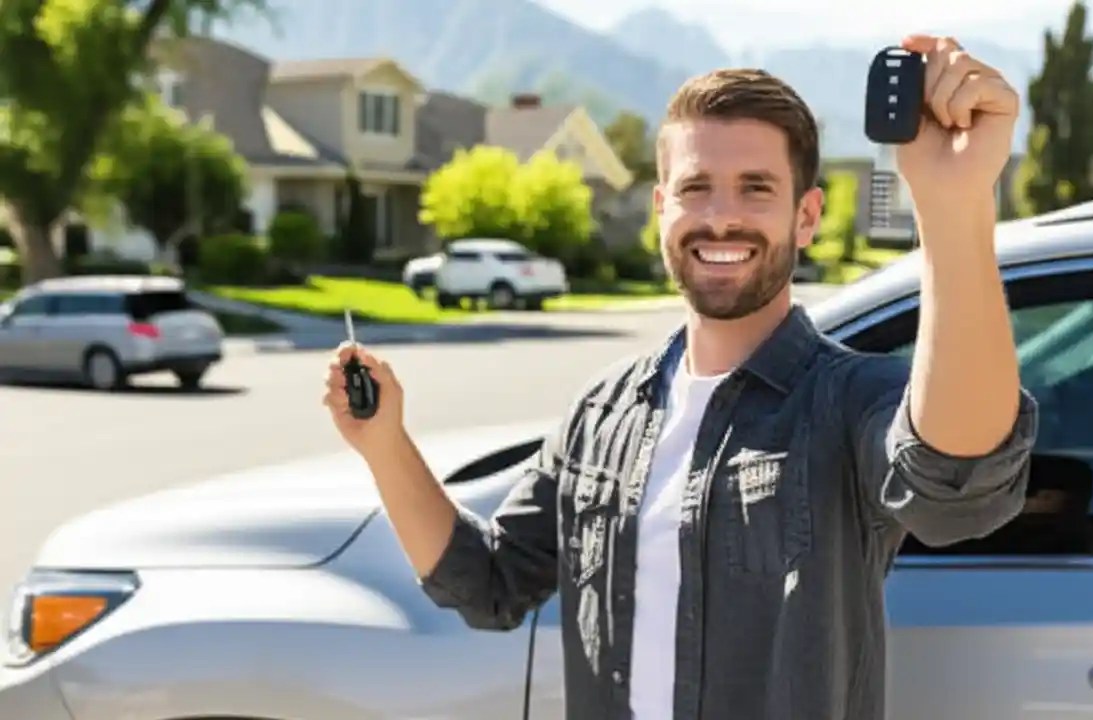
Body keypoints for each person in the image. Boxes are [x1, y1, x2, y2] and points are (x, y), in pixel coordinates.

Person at [323, 34, 1038, 720]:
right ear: (661, 210)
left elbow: (957, 478)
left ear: (806, 216)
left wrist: (954, 206)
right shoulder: (601, 415)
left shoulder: (847, 402)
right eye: (696, 188)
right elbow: (488, 585)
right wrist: (384, 443)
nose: (722, 217)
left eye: (756, 189)